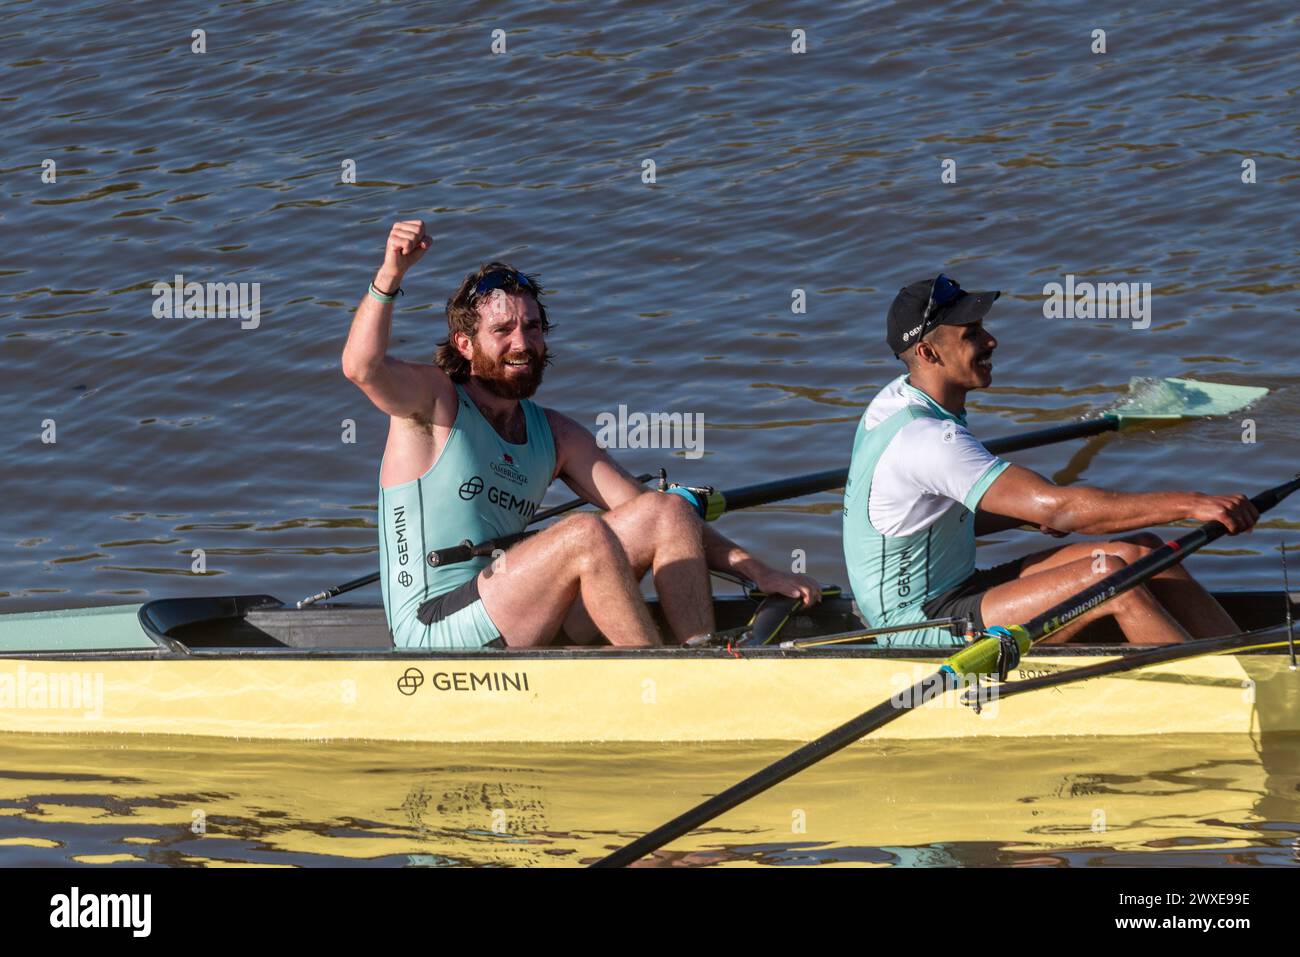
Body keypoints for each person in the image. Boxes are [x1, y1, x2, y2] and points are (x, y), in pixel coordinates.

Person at [343, 220, 820, 649]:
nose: (522, 342)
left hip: (519, 609)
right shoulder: (433, 401)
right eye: (504, 329)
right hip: (433, 628)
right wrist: (390, 277)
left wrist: (759, 571)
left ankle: (699, 650)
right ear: (466, 345)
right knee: (583, 533)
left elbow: (654, 519)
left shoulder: (553, 433)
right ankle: (657, 677)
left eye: (532, 327)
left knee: (668, 508)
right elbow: (361, 368)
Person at [841, 273, 1258, 646]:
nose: (991, 341)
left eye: (983, 327)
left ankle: (1245, 658)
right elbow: (1063, 512)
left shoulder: (900, 398)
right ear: (929, 353)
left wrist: (1024, 513)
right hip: (916, 626)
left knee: (1142, 553)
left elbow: (926, 515)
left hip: (957, 588)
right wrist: (1192, 505)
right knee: (1110, 580)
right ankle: (1217, 697)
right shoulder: (925, 438)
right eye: (972, 334)